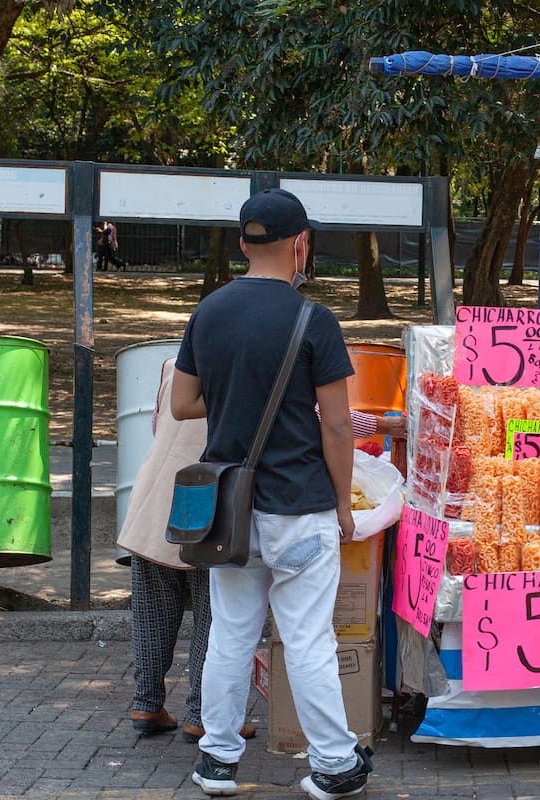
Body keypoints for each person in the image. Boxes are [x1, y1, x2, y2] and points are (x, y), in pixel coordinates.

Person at [172, 188, 374, 799]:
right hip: (300, 507)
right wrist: (343, 502)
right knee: (308, 640)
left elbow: (182, 404)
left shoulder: (208, 311)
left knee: (231, 634)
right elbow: (338, 424)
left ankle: (217, 762)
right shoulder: (315, 321)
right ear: (301, 243)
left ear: (242, 243)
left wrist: (238, 398)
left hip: (229, 513)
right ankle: (335, 765)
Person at [118, 358, 257, 745]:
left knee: (151, 611)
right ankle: (201, 713)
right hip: (212, 500)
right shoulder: (251, 366)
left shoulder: (169, 365)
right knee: (213, 614)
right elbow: (315, 418)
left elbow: (158, 425)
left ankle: (146, 703)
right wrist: (381, 424)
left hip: (156, 495)